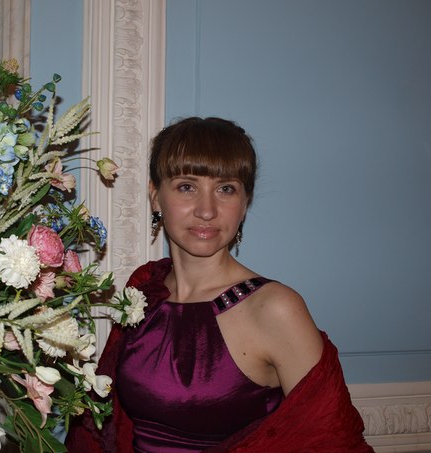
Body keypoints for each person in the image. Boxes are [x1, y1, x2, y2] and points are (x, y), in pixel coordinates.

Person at [66, 117, 373, 452]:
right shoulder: (146, 288)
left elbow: (332, 440)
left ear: (244, 203)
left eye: (226, 189)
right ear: (155, 197)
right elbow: (103, 424)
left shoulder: (276, 309)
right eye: (187, 187)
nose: (207, 210)